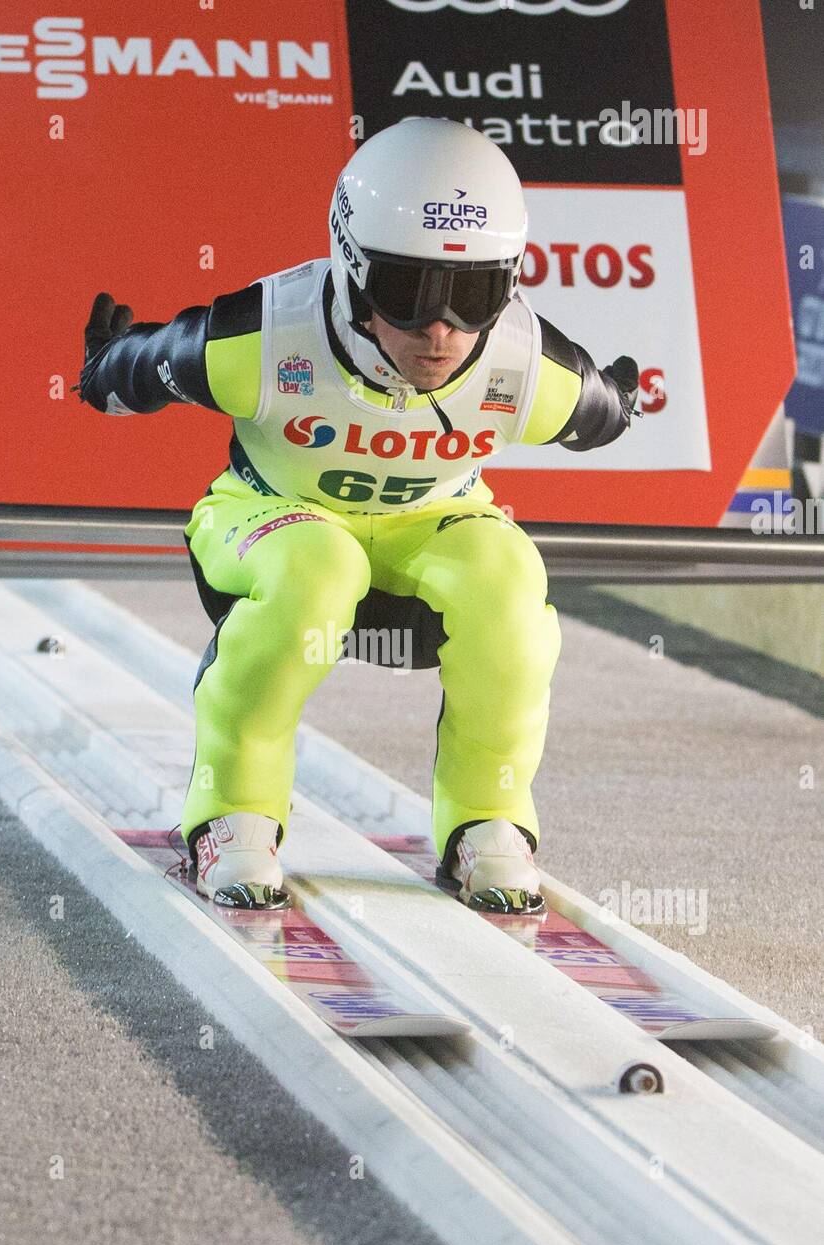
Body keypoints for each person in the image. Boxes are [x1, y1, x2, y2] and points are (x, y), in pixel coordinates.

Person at [77, 117, 639, 915]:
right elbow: (139, 367)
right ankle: (231, 811)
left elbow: (599, 409)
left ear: (509, 282)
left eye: (474, 293)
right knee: (318, 567)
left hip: (429, 527)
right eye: (407, 292)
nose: (440, 330)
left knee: (511, 579)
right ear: (348, 265)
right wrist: (104, 367)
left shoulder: (523, 363)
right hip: (272, 514)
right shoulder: (266, 336)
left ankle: (489, 818)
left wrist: (619, 400)